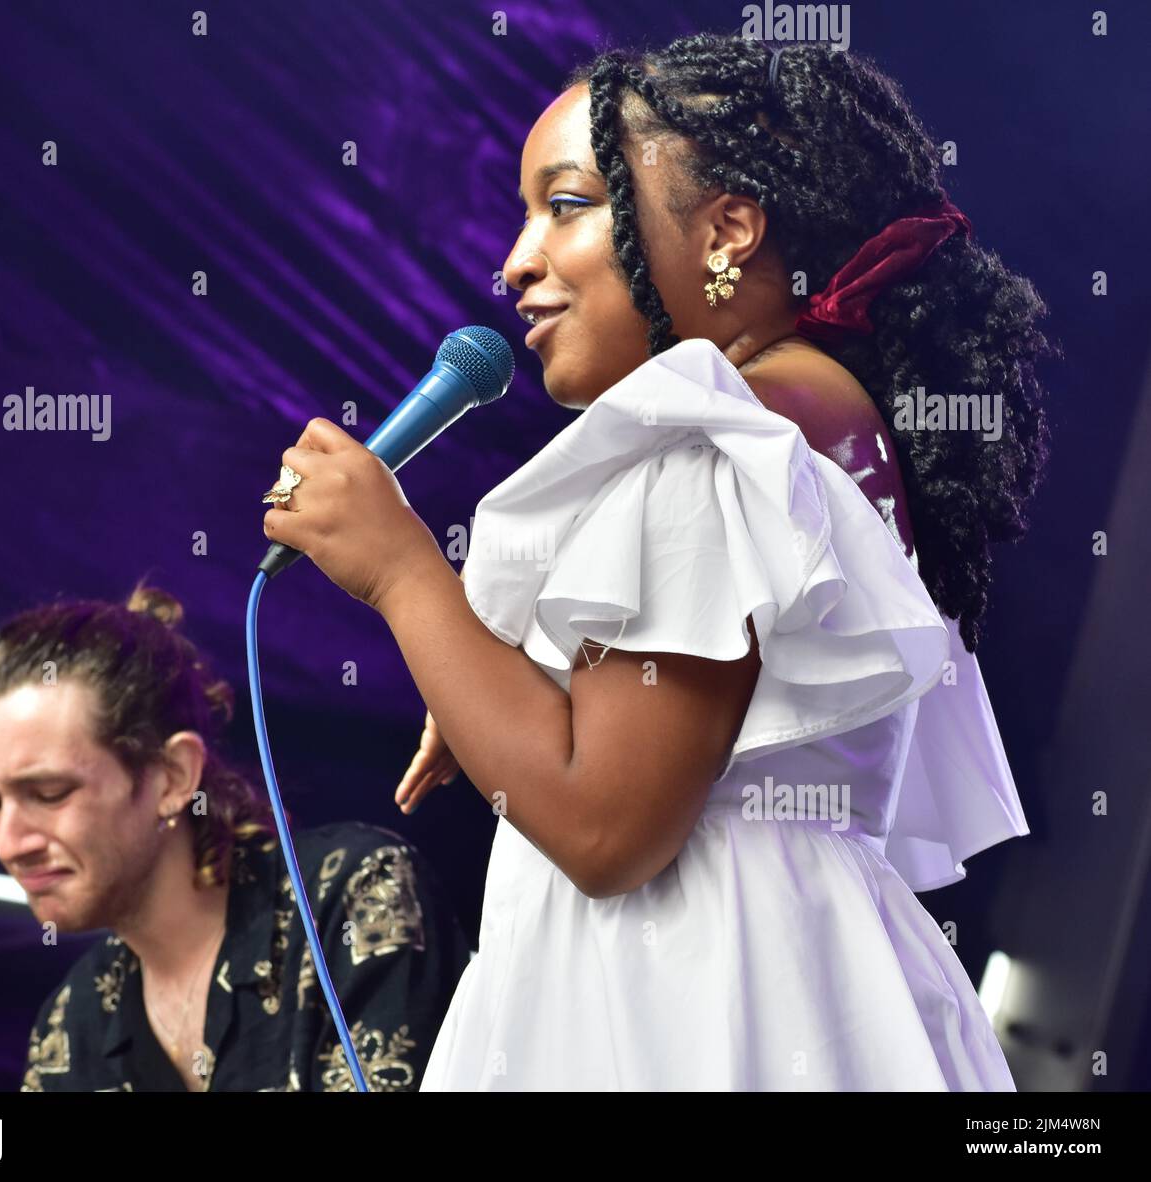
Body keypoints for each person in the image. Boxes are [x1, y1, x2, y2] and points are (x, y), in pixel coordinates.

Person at [262, 35, 1058, 1090]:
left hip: (693, 1001)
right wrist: (515, 682)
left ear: (727, 229)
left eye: (566, 204)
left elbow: (604, 830)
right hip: (784, 978)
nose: (514, 262)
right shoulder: (801, 419)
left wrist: (402, 573)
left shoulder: (712, 437)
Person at [0, 584, 473, 1092]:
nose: (10, 841)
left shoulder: (353, 896)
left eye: (49, 793)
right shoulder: (71, 1025)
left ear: (173, 776)